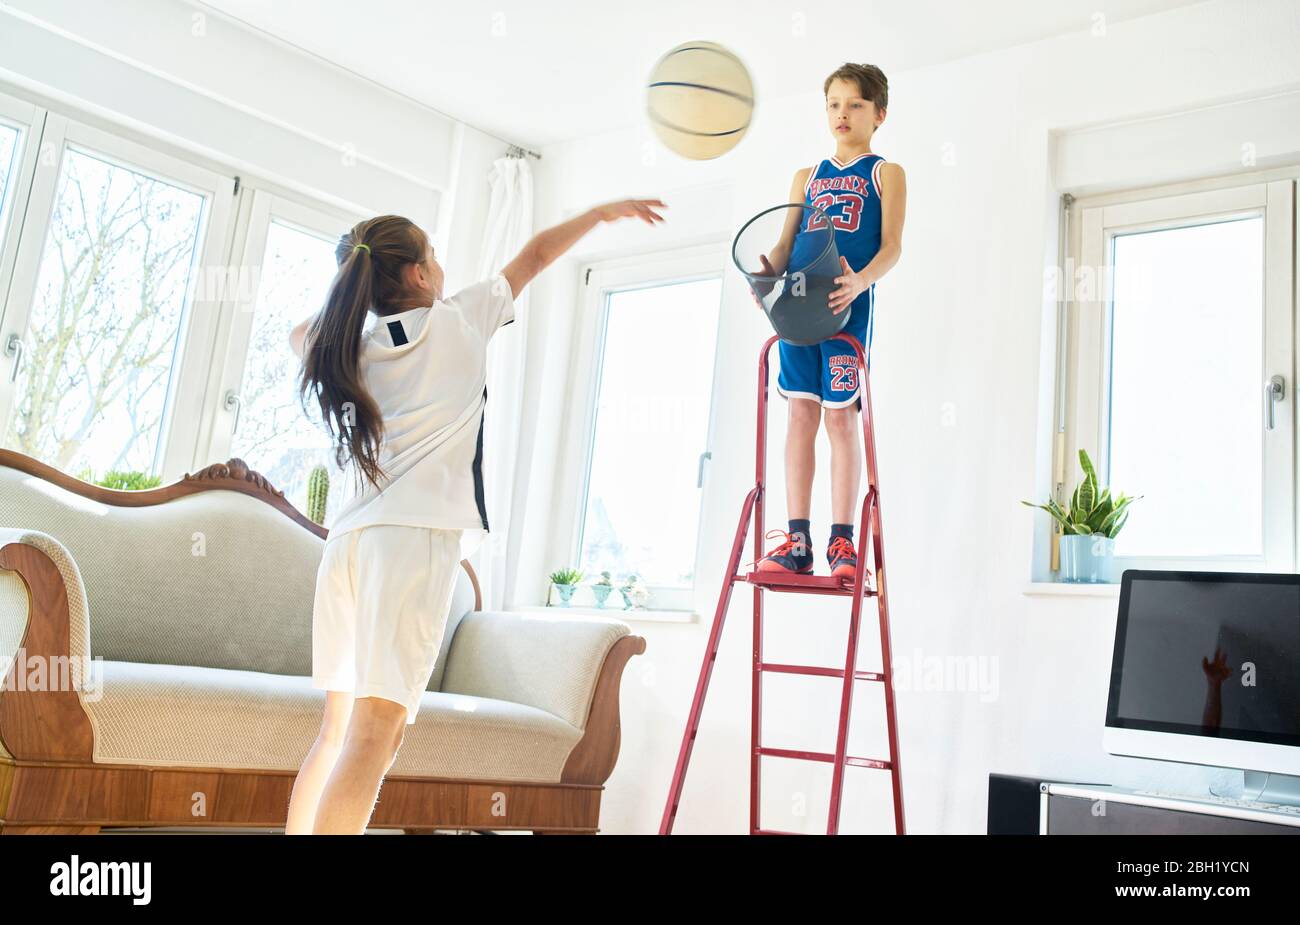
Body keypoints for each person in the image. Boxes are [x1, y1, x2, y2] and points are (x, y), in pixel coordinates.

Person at [285, 198, 665, 834]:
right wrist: (601, 215)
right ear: (418, 276)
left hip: (347, 545)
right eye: (433, 255)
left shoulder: (350, 348)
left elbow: (302, 334)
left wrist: (348, 296)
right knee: (374, 739)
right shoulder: (459, 320)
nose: (441, 265)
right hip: (411, 544)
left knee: (337, 732)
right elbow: (536, 256)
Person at [750, 62, 906, 581]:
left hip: (846, 309)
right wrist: (767, 275)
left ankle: (844, 542)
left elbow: (891, 250)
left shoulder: (885, 172)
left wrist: (860, 282)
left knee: (840, 418)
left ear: (878, 114)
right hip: (797, 308)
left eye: (856, 104)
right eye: (835, 104)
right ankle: (797, 541)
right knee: (799, 415)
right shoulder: (807, 176)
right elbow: (783, 243)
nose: (843, 114)